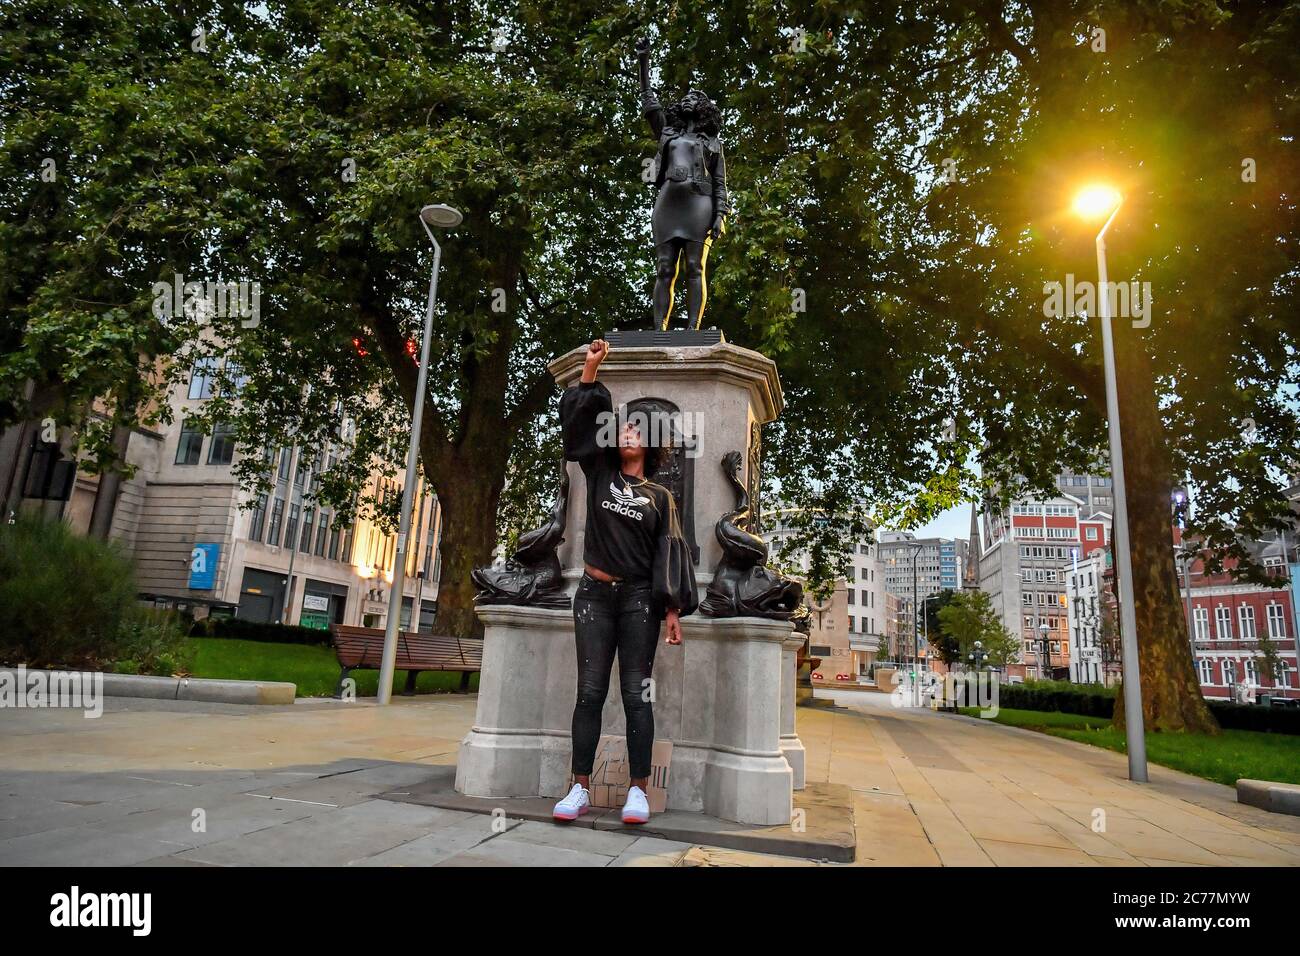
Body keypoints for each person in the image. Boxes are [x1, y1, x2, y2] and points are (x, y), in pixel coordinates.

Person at [551, 339, 698, 824]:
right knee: (589, 691)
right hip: (593, 595)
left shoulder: (660, 496)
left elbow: (669, 556)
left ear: (651, 444)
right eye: (625, 426)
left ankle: (637, 791)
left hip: (638, 602)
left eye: (638, 428)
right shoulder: (598, 473)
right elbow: (577, 427)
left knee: (638, 694)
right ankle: (579, 788)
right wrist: (591, 369)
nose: (629, 431)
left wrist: (673, 609)